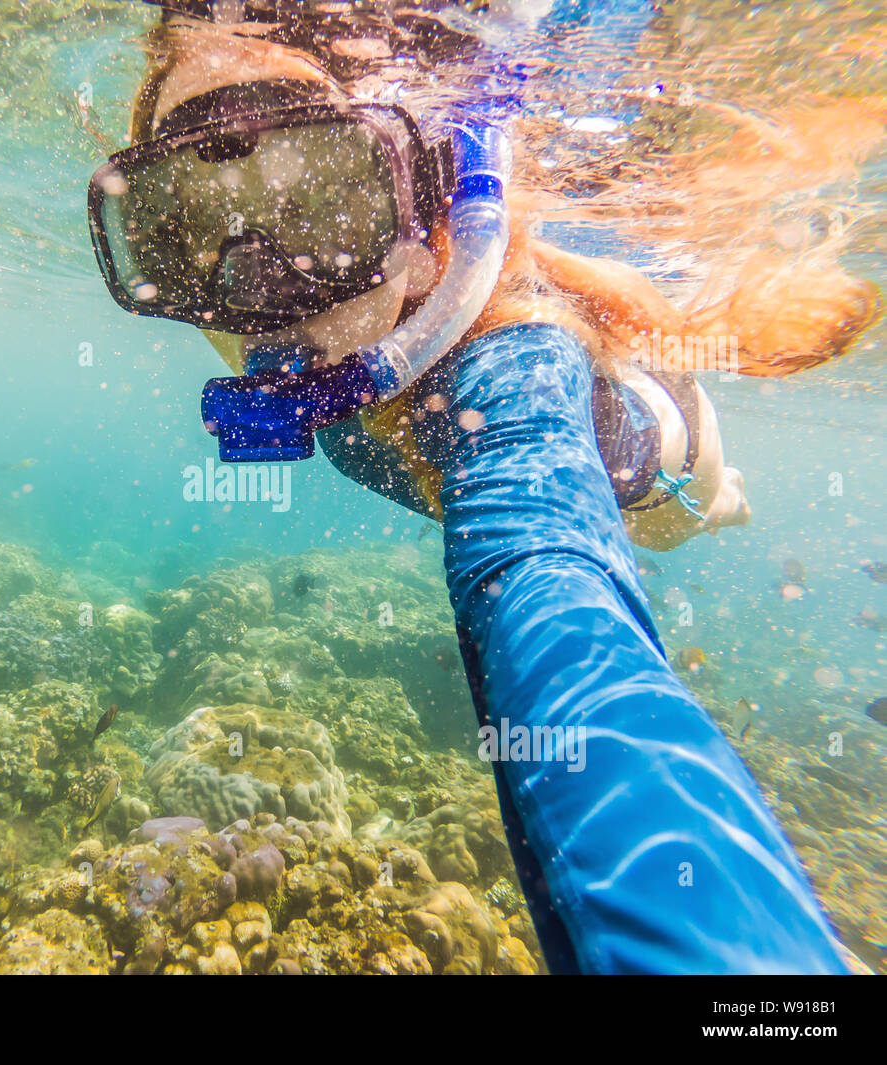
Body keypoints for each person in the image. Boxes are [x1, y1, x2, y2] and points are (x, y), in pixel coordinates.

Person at [87, 0, 879, 973]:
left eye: (320, 200)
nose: (252, 274)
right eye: (190, 217)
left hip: (650, 470)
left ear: (424, 203)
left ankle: (704, 455)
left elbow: (555, 609)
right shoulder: (275, 304)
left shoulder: (514, 386)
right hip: (455, 401)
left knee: (695, 507)